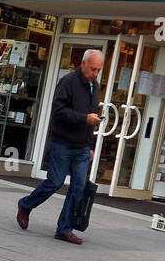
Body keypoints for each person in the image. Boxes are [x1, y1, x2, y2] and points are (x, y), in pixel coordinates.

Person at [15, 48, 104, 244]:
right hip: (62, 143)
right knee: (55, 182)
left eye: (98, 70)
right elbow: (58, 112)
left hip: (82, 147)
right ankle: (25, 205)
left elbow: (91, 117)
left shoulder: (94, 86)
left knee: (78, 187)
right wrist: (84, 119)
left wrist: (90, 145)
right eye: (92, 69)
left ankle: (64, 229)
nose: (95, 74)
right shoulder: (68, 82)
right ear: (83, 64)